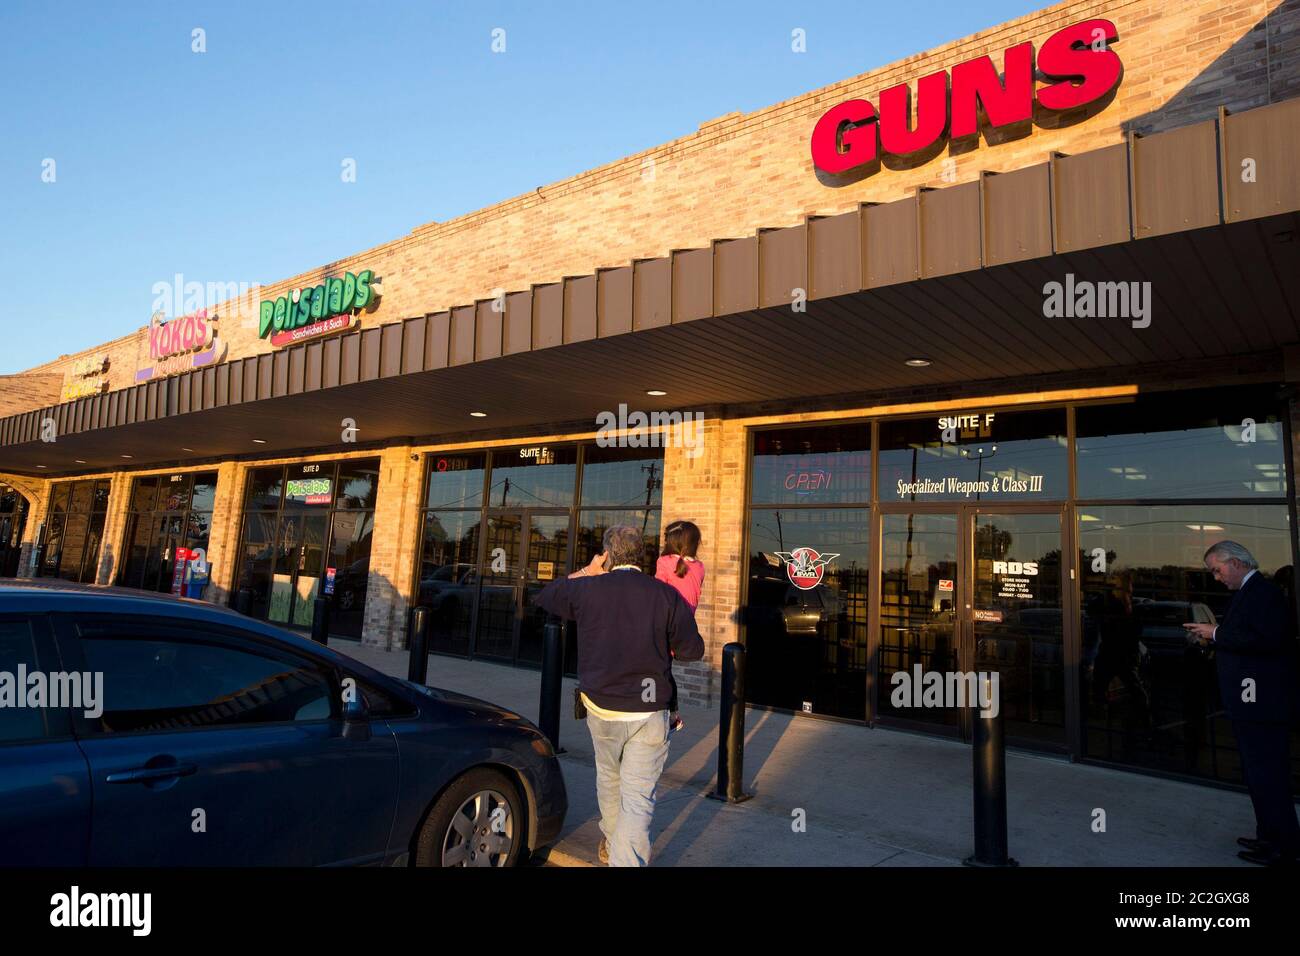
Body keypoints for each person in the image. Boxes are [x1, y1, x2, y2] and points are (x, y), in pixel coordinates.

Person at [533, 525, 704, 867]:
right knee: (637, 797)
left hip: (602, 707)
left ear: (608, 555)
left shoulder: (588, 588)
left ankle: (614, 844)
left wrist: (588, 570)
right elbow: (692, 650)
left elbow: (546, 596)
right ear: (642, 556)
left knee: (609, 781)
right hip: (649, 708)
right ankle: (624, 856)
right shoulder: (664, 595)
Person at [1184, 541, 1300, 866]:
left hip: (1262, 706)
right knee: (1257, 775)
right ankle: (1268, 837)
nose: (1217, 578)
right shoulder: (1247, 594)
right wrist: (1213, 637)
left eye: (1217, 570)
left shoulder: (1264, 593)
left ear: (1235, 563)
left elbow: (1269, 640)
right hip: (1250, 705)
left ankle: (1285, 847)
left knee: (1269, 776)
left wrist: (1217, 634)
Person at [655, 519, 706, 734]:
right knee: (665, 669)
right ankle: (673, 714)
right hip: (684, 628)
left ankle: (670, 713)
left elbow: (656, 595)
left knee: (661, 670)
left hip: (665, 625)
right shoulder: (700, 567)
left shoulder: (664, 562)